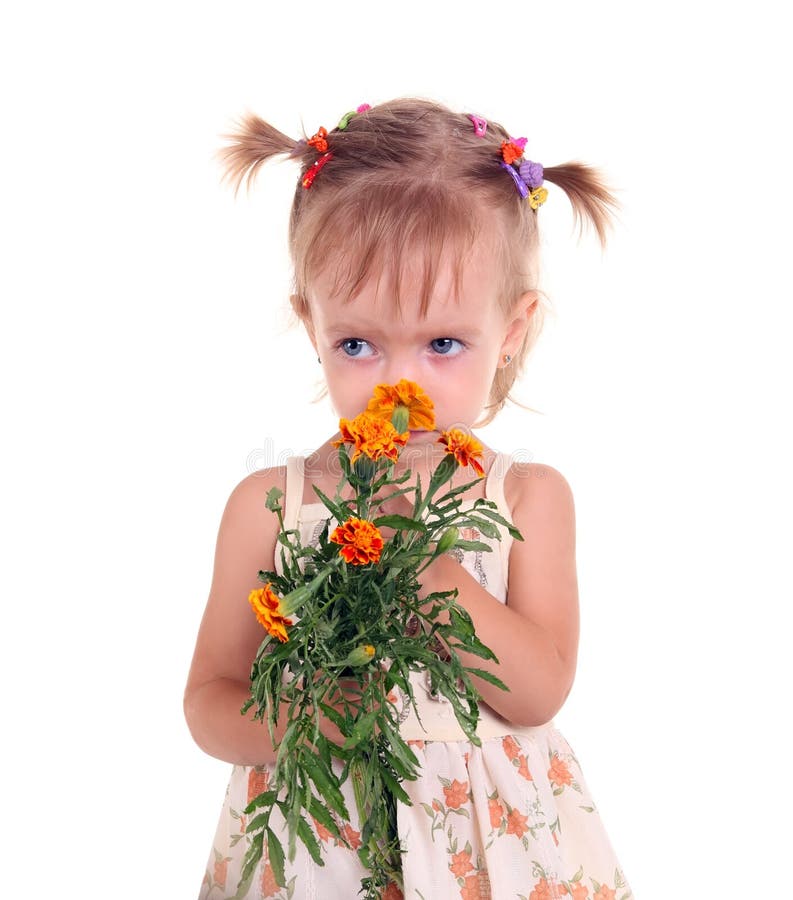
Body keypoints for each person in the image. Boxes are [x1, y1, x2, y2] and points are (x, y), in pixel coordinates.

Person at [185, 98, 631, 900]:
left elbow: (535, 693)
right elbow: (209, 701)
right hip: (322, 842)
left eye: (442, 344)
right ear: (308, 323)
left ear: (513, 331)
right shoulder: (270, 506)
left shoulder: (526, 497)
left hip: (486, 846)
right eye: (356, 344)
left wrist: (422, 565)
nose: (399, 382)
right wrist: (302, 724)